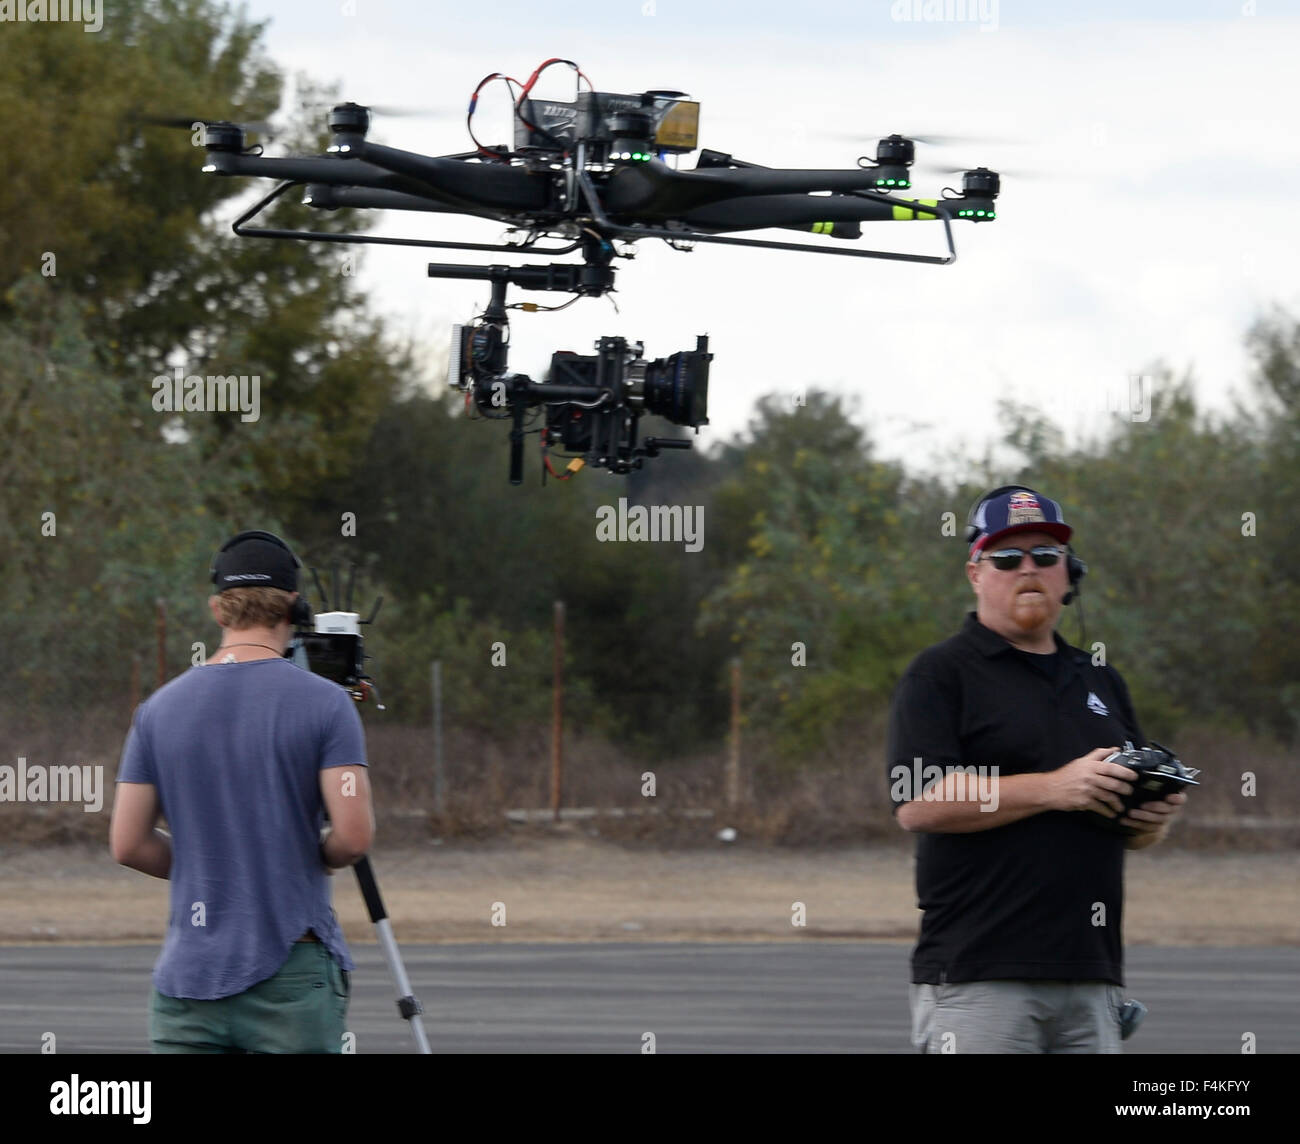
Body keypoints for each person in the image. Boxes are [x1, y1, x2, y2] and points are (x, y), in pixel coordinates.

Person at [886, 485, 1187, 1053]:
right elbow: (917, 802)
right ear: (975, 572)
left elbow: (1128, 827)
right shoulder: (940, 673)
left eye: (1046, 556)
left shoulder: (1100, 678)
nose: (1029, 568)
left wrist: (1151, 818)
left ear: (1069, 574)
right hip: (980, 977)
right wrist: (1054, 788)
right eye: (1007, 557)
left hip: (1092, 977)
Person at [109, 530, 374, 1053]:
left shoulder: (157, 710)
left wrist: (209, 866)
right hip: (291, 975)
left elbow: (127, 843)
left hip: (190, 982)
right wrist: (306, 857)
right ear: (293, 607)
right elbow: (353, 836)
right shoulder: (326, 705)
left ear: (217, 609)